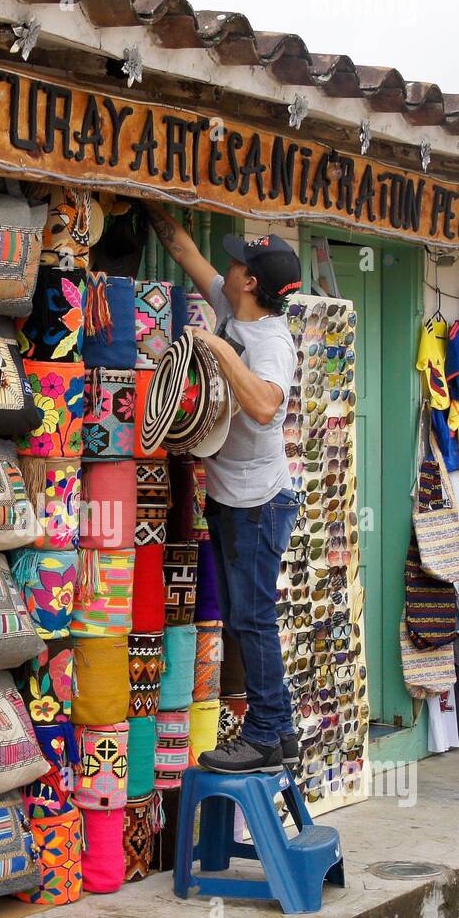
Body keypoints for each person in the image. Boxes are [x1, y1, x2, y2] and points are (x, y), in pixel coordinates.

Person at [147, 207, 304, 774]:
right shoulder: (230, 307)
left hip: (258, 505)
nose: (229, 266)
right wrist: (148, 199)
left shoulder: (269, 343)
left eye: (237, 262)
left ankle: (262, 732)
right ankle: (281, 731)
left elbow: (265, 407)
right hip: (234, 498)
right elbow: (186, 251)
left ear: (251, 281)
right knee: (248, 617)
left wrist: (217, 350)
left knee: (252, 620)